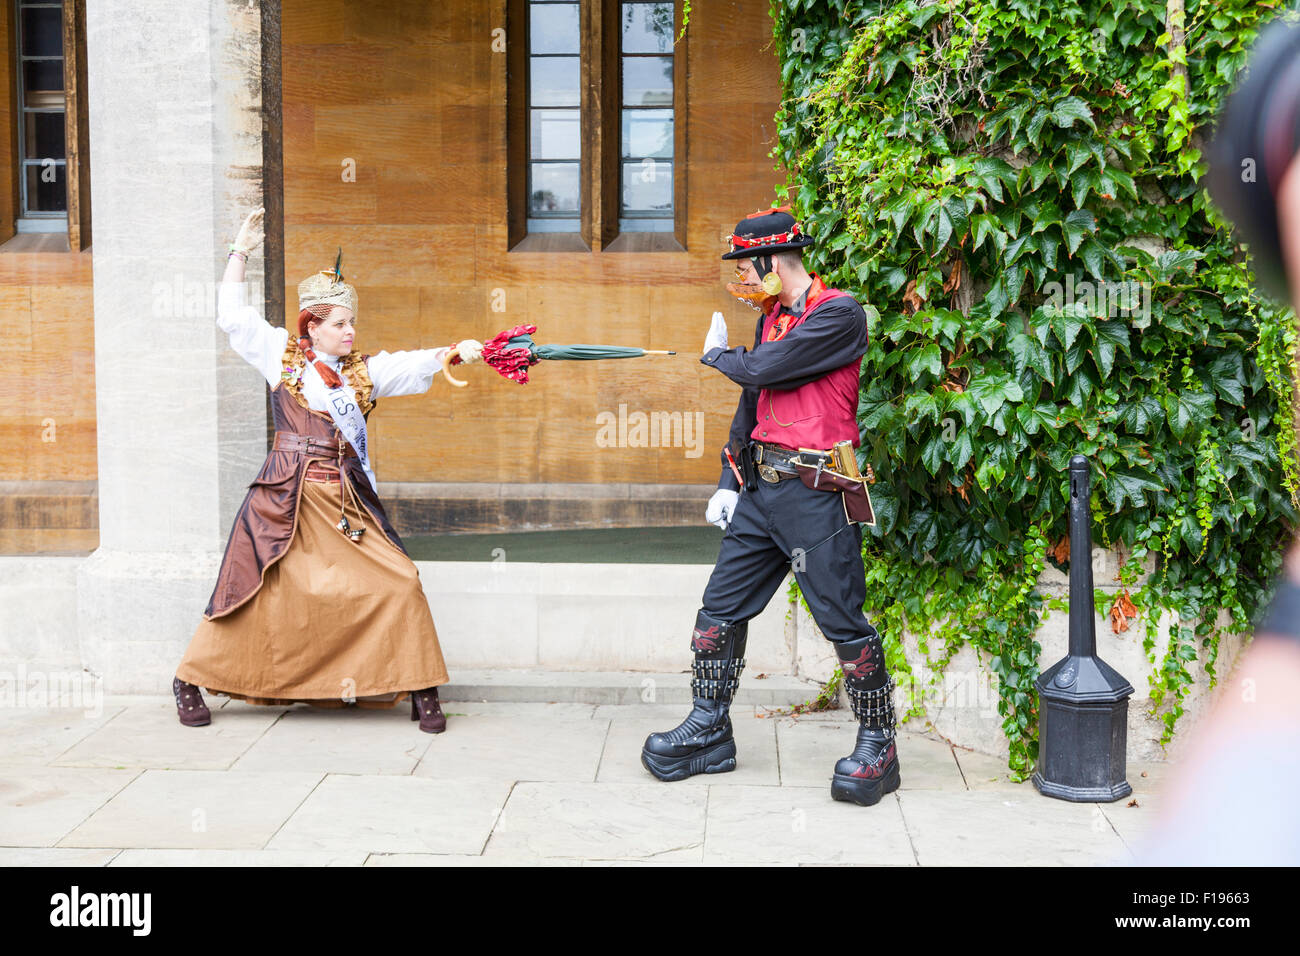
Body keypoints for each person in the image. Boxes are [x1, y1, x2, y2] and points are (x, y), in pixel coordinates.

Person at [171, 208, 483, 734]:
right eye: (340, 323)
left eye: (351, 322)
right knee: (253, 591)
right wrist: (240, 253)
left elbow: (413, 362)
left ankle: (421, 685)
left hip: (343, 502)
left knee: (401, 581)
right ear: (312, 326)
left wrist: (457, 351)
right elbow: (232, 317)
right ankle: (190, 679)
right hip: (286, 499)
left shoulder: (362, 371)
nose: (350, 331)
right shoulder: (281, 356)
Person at [640, 206, 900, 806]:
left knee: (843, 623)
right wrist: (728, 481)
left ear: (772, 262)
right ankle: (710, 730)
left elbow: (765, 368)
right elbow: (754, 398)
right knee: (718, 614)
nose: (745, 281)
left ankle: (878, 743)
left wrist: (717, 357)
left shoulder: (839, 313)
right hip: (761, 491)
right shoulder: (773, 319)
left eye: (748, 269)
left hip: (817, 495)